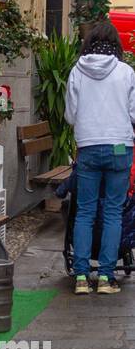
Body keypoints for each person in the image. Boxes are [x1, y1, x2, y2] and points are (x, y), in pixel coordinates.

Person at [65, 20, 135, 295]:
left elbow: (70, 115)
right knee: (113, 212)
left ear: (89, 43)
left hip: (89, 147)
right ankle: (106, 278)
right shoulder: (126, 72)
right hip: (119, 147)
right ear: (116, 45)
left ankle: (82, 277)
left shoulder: (76, 72)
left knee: (85, 210)